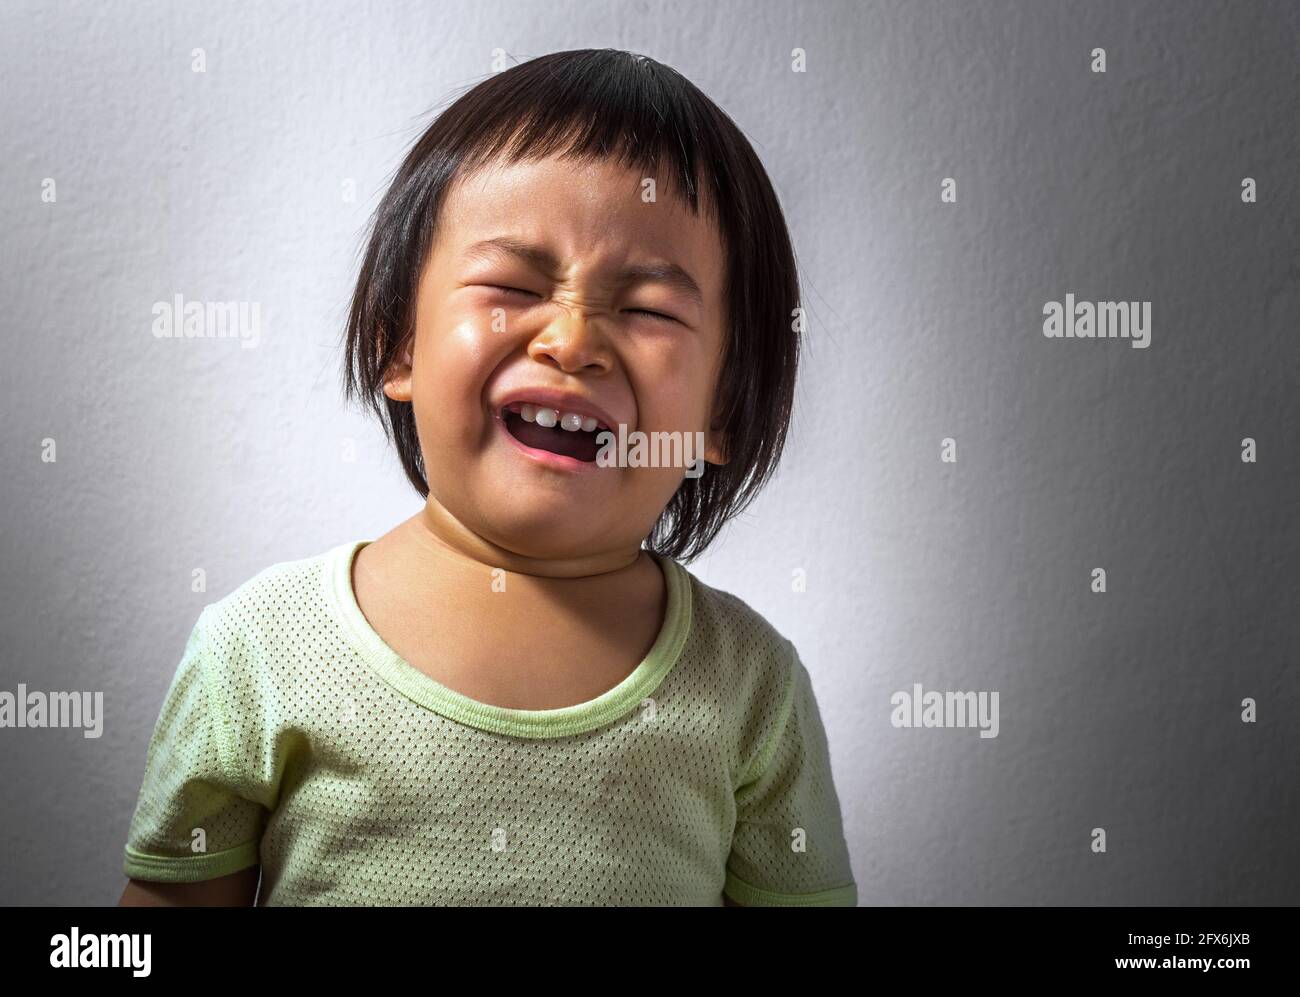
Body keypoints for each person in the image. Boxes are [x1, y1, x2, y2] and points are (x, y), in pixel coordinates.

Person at [119, 48, 855, 907]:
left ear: (724, 408)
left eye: (650, 309)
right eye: (511, 285)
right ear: (401, 344)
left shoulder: (751, 688)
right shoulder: (260, 650)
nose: (572, 340)